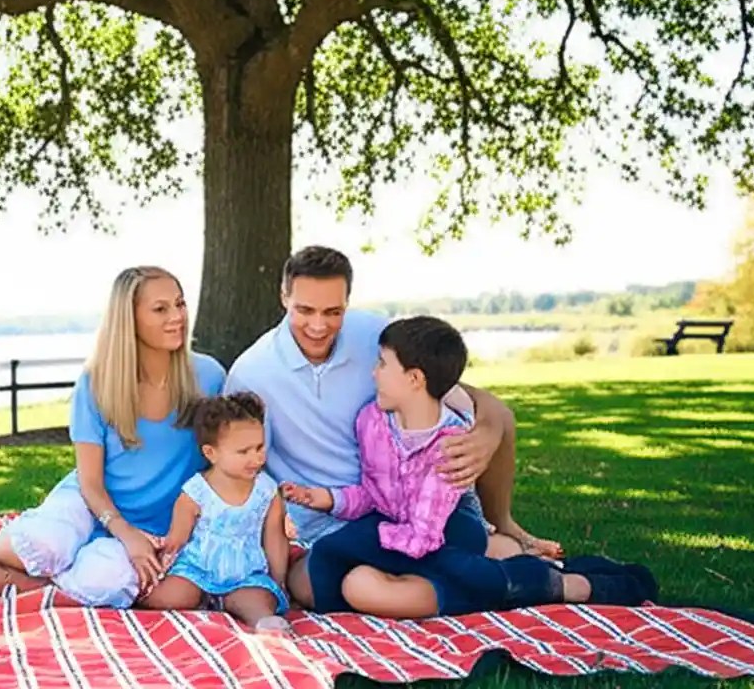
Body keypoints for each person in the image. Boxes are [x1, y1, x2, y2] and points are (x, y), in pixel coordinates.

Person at [224, 245, 562, 613]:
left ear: (348, 301)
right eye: (304, 310)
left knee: (362, 581)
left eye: (333, 311)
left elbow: (467, 398)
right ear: (283, 295)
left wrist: (490, 429)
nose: (318, 326)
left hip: (412, 504)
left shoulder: (377, 335)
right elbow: (242, 471)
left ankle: (491, 555)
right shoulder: (251, 374)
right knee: (310, 587)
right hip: (331, 522)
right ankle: (496, 571)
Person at [281, 315, 657, 617]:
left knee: (344, 552)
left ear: (414, 379)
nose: (373, 372)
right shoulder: (372, 423)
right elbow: (374, 493)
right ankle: (550, 577)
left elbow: (425, 534)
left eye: (382, 364)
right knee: (350, 562)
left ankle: (570, 587)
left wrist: (363, 540)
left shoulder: (451, 445)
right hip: (402, 526)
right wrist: (328, 500)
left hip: (447, 527)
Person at [0, 265, 226, 608]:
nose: (177, 317)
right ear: (129, 319)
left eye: (179, 304)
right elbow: (90, 483)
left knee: (107, 579)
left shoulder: (209, 378)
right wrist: (125, 533)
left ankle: (30, 582)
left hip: (156, 522)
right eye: (160, 309)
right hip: (92, 504)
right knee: (44, 545)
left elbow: (223, 463)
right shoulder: (96, 384)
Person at [139, 392, 292, 633]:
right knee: (173, 597)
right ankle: (187, 600)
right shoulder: (197, 491)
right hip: (198, 569)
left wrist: (279, 579)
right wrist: (161, 563)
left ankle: (264, 622)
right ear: (211, 453)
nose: (256, 458)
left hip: (245, 573)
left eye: (260, 447)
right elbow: (177, 539)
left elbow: (275, 537)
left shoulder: (267, 491)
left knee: (259, 600)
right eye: (243, 452)